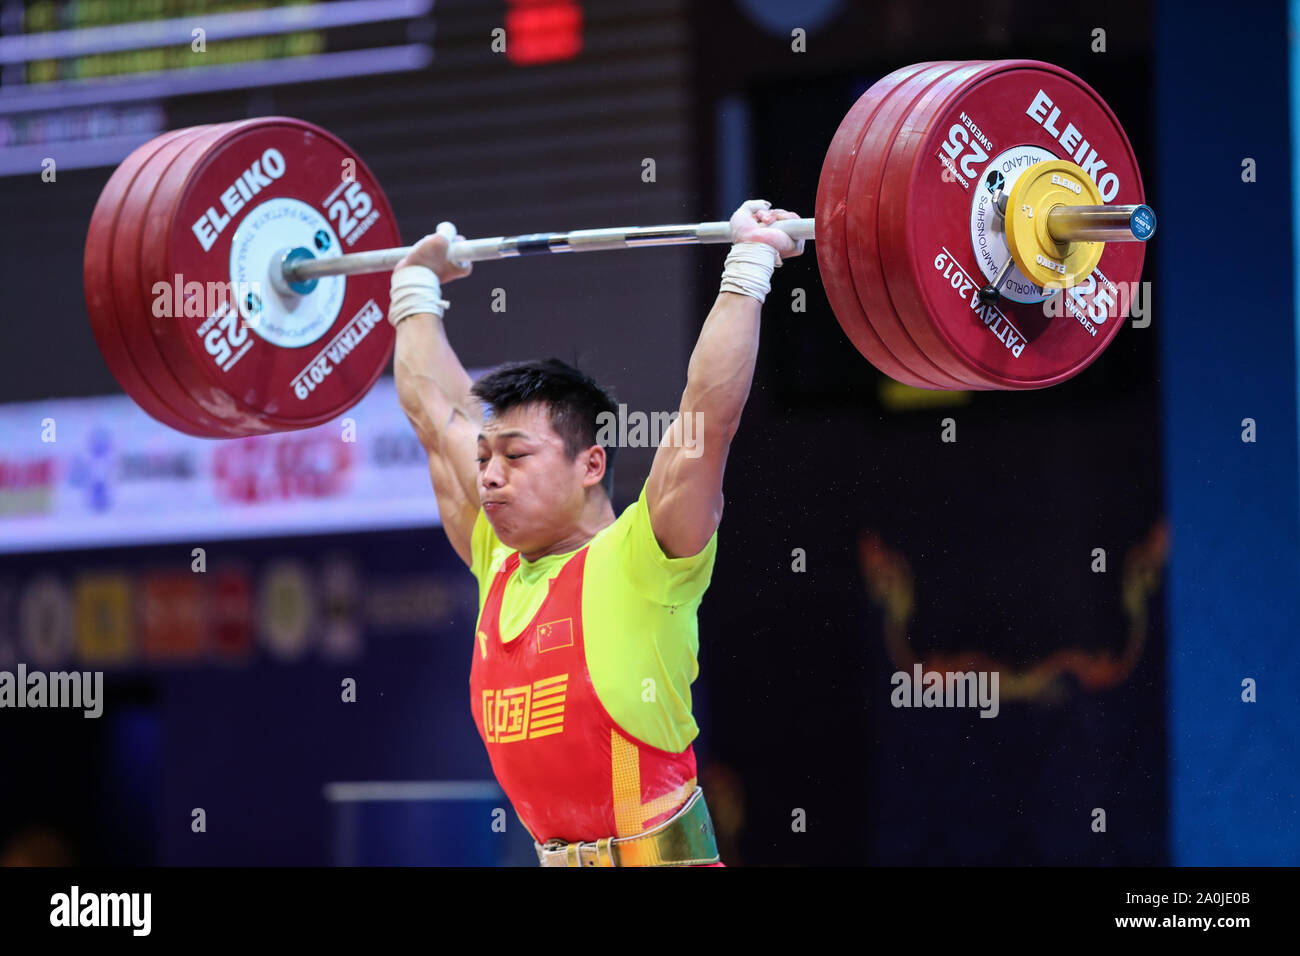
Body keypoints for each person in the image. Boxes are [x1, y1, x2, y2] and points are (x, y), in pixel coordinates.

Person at [389, 200, 803, 866]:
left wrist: (748, 266)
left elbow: (708, 416)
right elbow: (433, 413)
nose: (490, 476)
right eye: (487, 458)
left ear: (591, 464)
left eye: (516, 457)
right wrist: (415, 289)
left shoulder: (643, 557)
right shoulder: (495, 558)